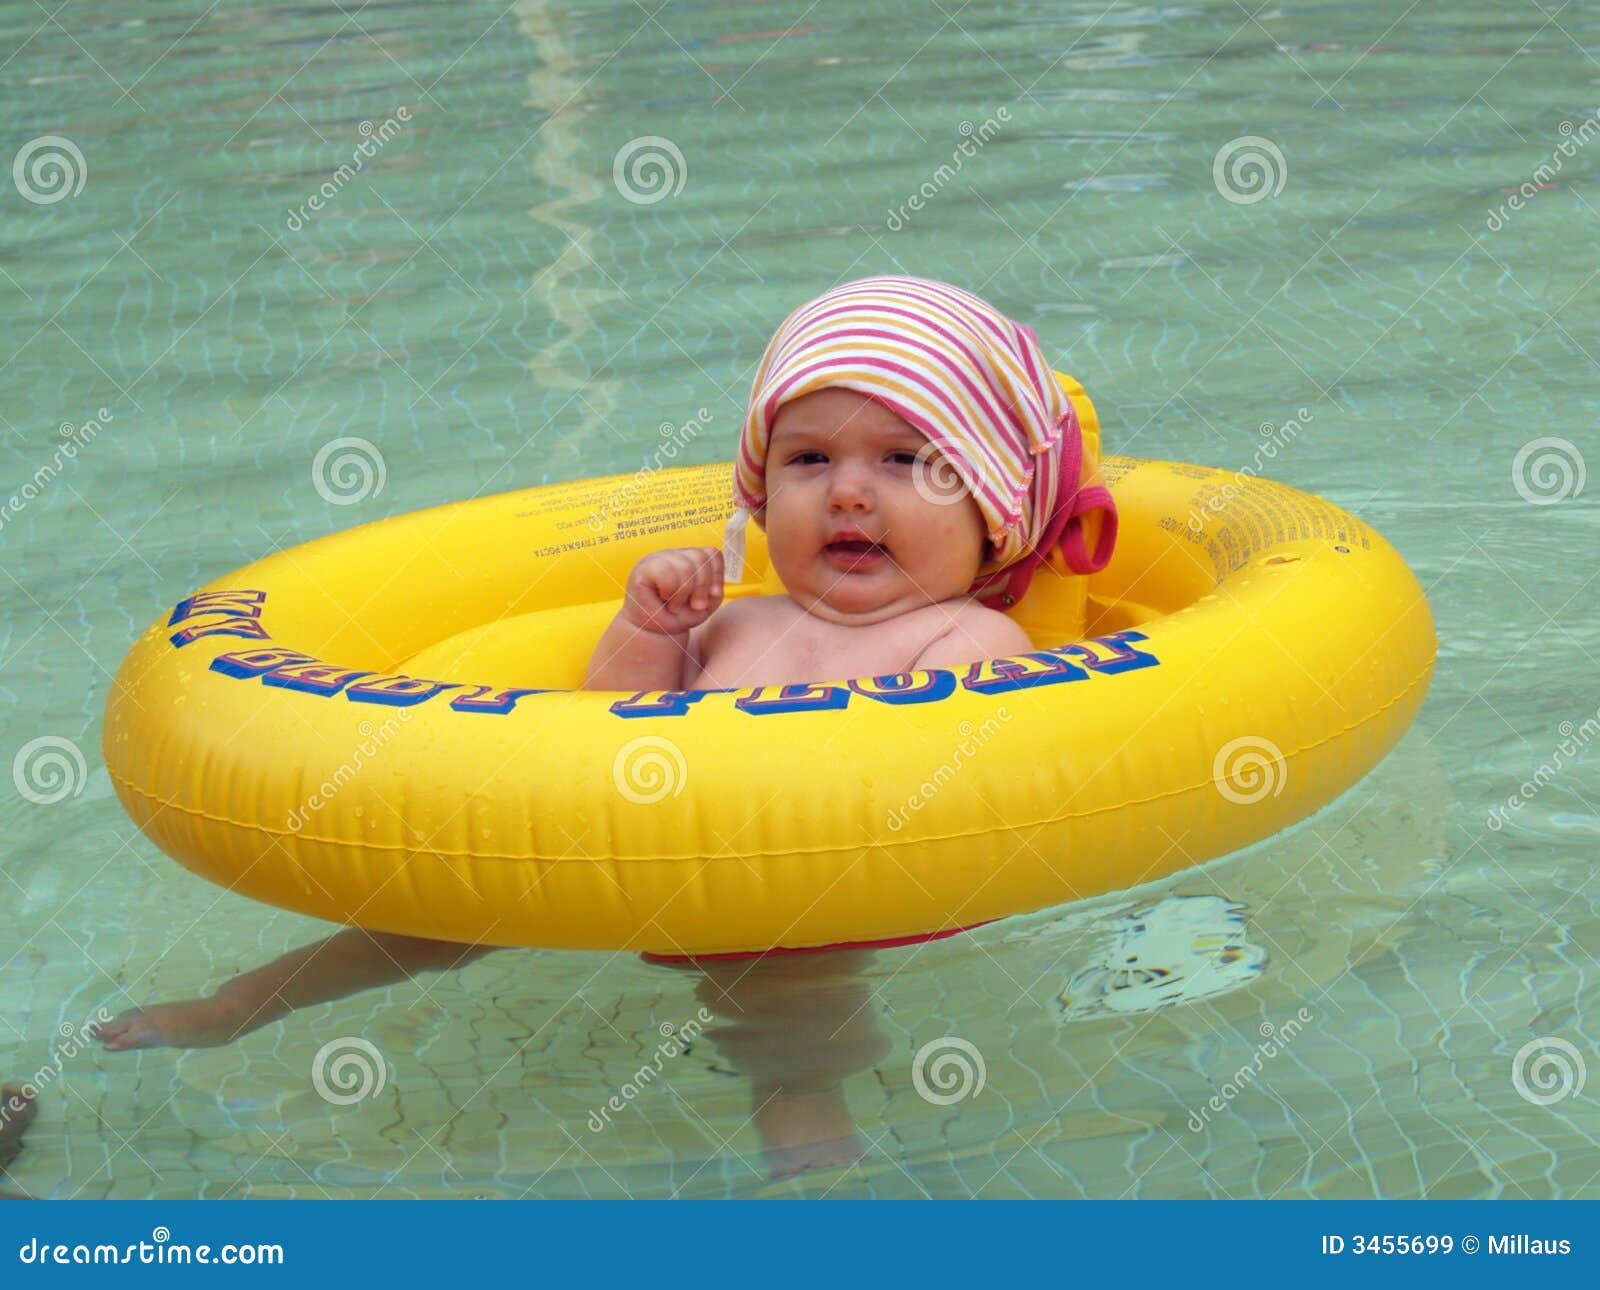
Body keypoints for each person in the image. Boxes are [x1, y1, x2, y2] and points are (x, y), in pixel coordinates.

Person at [93, 274, 1118, 1179]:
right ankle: (241, 1007)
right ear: (762, 494)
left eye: (904, 459)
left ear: (991, 498)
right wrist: (647, 629)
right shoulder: (736, 616)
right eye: (807, 460)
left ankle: (807, 1135)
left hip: (801, 900)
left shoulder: (967, 639)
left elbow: (925, 774)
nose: (847, 490)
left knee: (792, 1005)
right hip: (639, 859)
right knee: (429, 917)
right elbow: (606, 726)